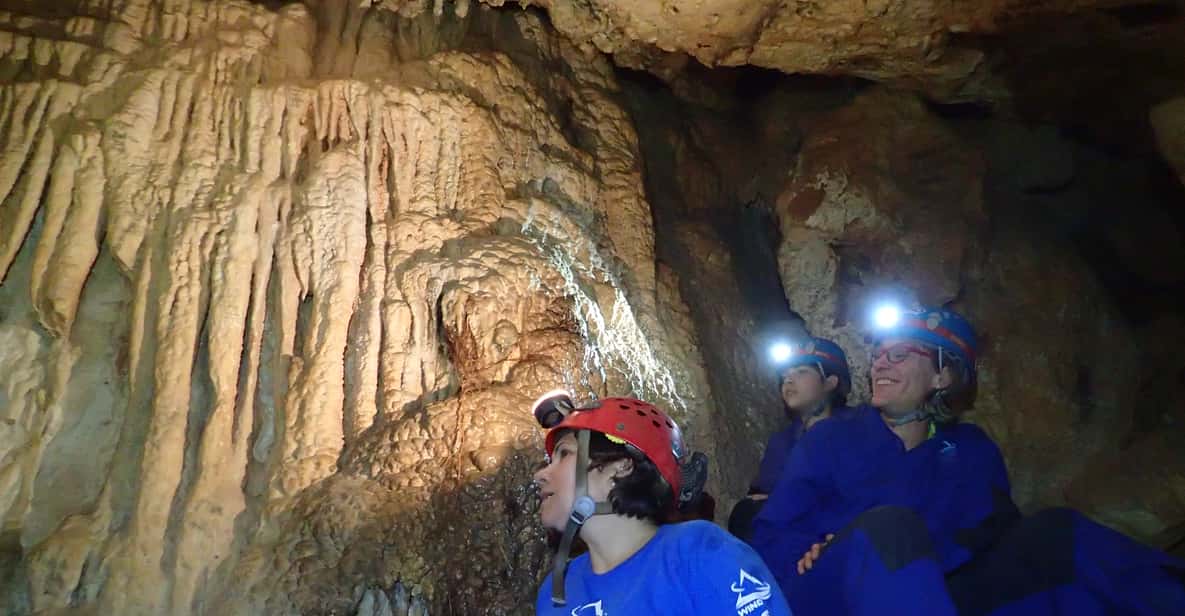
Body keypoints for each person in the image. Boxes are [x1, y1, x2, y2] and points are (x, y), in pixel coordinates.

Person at [751, 306, 1185, 616]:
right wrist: (812, 550)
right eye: (879, 354)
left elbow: (994, 532)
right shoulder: (832, 437)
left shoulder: (970, 451)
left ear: (943, 376)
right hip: (830, 590)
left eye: (900, 354)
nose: (881, 362)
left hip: (937, 587)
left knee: (1057, 532)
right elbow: (772, 530)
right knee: (889, 529)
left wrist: (942, 550)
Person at [531, 391, 793, 615]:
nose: (540, 475)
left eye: (564, 454)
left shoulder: (699, 553)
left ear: (620, 466)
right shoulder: (558, 590)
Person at [729, 337, 854, 541]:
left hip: (841, 532)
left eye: (801, 372)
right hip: (795, 538)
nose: (788, 380)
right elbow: (765, 495)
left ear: (831, 382)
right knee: (747, 512)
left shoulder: (858, 429)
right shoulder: (782, 443)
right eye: (785, 375)